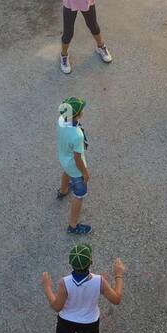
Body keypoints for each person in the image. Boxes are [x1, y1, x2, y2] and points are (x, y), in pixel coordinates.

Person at [41, 242, 124, 333]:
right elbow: (116, 299)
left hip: (66, 319)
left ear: (70, 263)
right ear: (90, 261)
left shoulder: (65, 282)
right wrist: (119, 275)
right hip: (89, 321)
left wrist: (47, 287)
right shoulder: (99, 281)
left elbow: (57, 306)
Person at [55, 96, 92, 235]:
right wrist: (85, 173)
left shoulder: (60, 120)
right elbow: (77, 158)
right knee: (79, 194)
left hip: (63, 157)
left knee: (66, 171)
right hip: (74, 166)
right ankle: (73, 225)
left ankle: (63, 191)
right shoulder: (77, 135)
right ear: (77, 115)